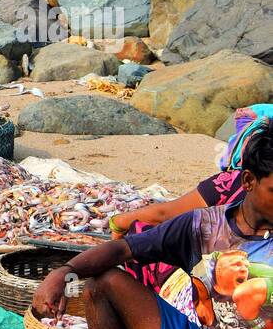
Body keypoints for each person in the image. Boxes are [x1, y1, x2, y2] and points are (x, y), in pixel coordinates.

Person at [31, 123, 273, 329]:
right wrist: (64, 274)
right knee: (102, 283)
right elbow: (123, 248)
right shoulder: (206, 225)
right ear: (249, 181)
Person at [112, 106, 273, 292]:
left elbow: (164, 213)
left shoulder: (231, 183)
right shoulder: (227, 189)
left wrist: (119, 224)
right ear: (249, 180)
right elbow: (164, 215)